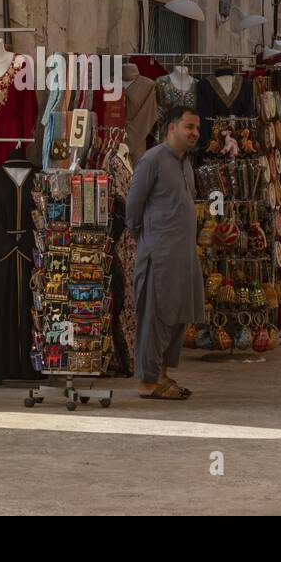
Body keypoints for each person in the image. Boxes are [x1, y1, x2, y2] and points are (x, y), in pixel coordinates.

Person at [125, 105, 204, 401]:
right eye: (189, 127)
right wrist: (148, 239)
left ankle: (161, 374)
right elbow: (132, 209)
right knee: (155, 317)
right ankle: (147, 381)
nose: (195, 133)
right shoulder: (152, 160)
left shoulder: (185, 163)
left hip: (183, 257)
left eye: (197, 128)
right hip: (158, 256)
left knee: (176, 316)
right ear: (172, 127)